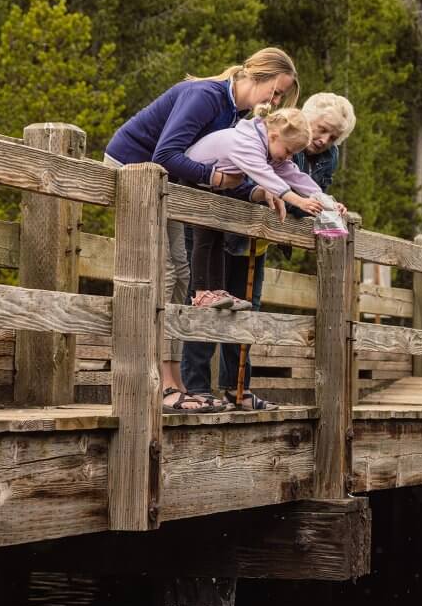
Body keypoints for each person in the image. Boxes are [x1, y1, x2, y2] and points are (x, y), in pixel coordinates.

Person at [104, 47, 299, 414]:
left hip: (168, 184)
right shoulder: (206, 96)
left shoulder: (233, 113)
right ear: (257, 75)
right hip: (135, 173)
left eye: (280, 98)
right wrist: (215, 177)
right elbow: (166, 154)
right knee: (162, 276)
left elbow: (207, 164)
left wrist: (257, 190)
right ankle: (159, 385)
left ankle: (174, 381)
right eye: (274, 92)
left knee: (180, 276)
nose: (273, 103)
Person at [185, 93, 356, 411]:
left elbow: (301, 181)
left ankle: (237, 388)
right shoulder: (275, 136)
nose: (323, 140)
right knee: (208, 298)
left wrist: (325, 202)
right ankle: (196, 386)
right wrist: (303, 204)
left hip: (260, 236)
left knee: (247, 307)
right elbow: (261, 178)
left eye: (333, 136)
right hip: (224, 220)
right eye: (321, 129)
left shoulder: (327, 156)